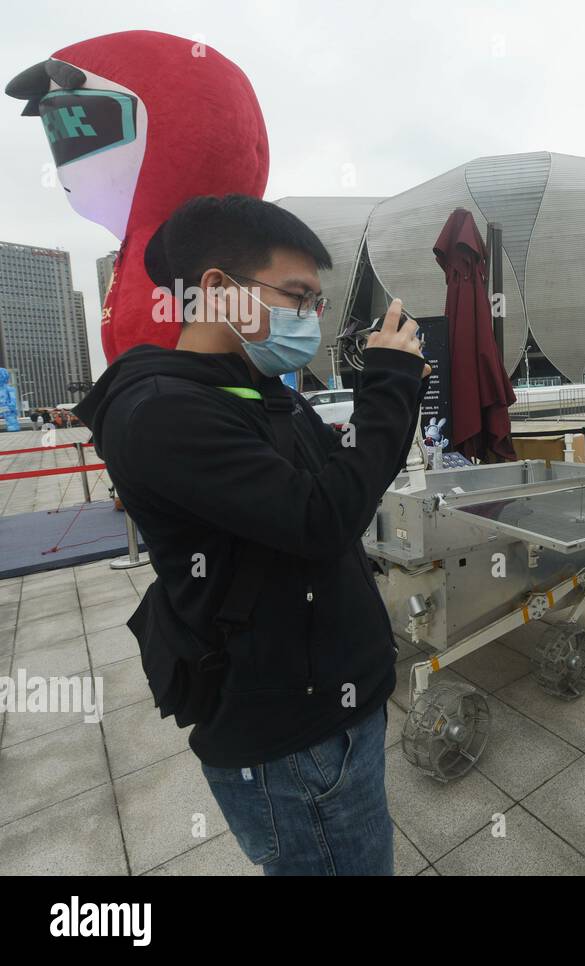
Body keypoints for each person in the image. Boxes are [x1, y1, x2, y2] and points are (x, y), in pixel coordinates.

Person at [76, 194, 429, 875]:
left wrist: (386, 397)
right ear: (218, 291)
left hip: (339, 708)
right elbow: (321, 520)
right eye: (296, 295)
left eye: (315, 303)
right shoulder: (163, 412)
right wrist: (390, 387)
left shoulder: (264, 391)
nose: (308, 317)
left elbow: (340, 482)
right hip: (291, 738)